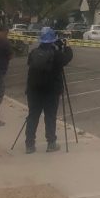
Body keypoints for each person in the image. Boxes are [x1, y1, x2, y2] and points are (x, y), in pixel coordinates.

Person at [25, 26, 73, 154]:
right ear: (52, 40)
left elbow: (30, 64)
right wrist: (66, 46)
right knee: (50, 116)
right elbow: (68, 57)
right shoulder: (56, 54)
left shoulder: (34, 53)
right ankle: (51, 143)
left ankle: (29, 144)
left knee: (33, 116)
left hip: (33, 90)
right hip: (51, 92)